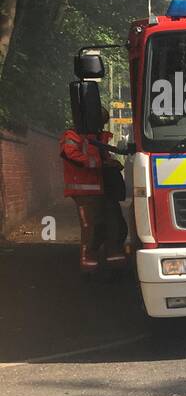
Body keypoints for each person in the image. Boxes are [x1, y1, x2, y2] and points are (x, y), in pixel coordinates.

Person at [60, 104, 128, 273]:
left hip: (104, 190)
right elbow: (70, 155)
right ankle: (89, 262)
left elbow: (102, 156)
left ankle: (114, 257)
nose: (102, 126)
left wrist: (111, 163)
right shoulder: (73, 135)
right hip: (86, 191)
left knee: (115, 223)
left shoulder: (98, 137)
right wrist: (98, 164)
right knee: (92, 226)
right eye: (101, 122)